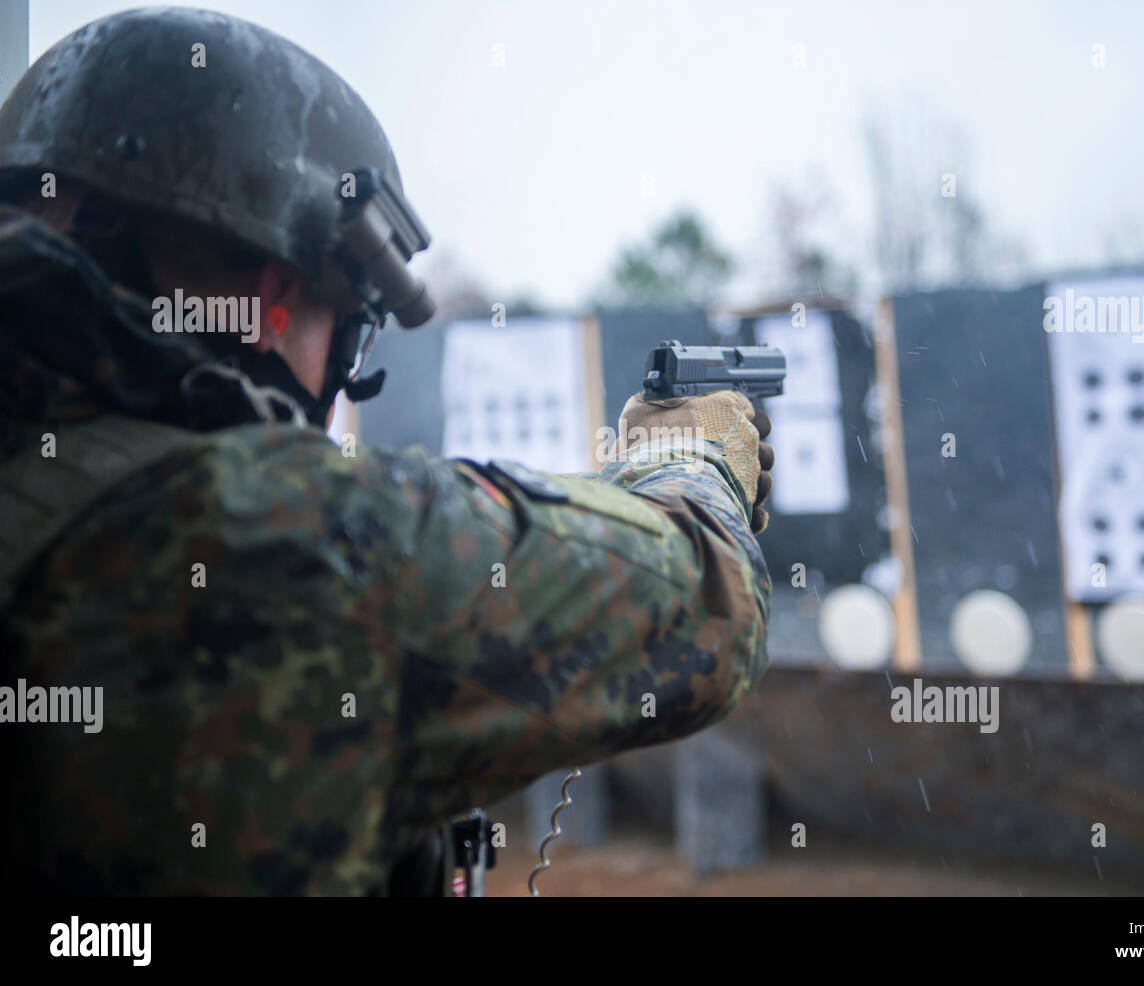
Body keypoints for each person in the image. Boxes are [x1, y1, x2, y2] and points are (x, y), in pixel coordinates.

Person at [0, 7, 774, 895]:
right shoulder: (273, 533)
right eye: (350, 336)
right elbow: (708, 606)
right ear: (274, 295)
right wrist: (691, 460)